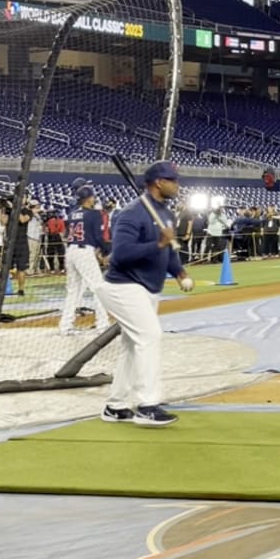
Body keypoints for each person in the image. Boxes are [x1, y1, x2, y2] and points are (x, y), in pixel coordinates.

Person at [96, 161, 193, 427]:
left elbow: (168, 251)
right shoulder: (132, 213)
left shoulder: (165, 213)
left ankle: (116, 406)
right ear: (158, 182)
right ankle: (147, 405)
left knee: (132, 346)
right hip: (123, 286)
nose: (177, 184)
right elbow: (121, 255)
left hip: (147, 288)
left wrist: (180, 272)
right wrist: (157, 243)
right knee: (150, 336)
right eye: (173, 180)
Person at [59, 185, 110, 335]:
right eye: (92, 197)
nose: (94, 199)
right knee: (99, 288)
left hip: (71, 251)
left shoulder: (72, 213)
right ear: (89, 198)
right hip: (84, 252)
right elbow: (99, 237)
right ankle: (102, 324)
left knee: (73, 291)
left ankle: (65, 326)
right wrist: (107, 252)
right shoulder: (94, 214)